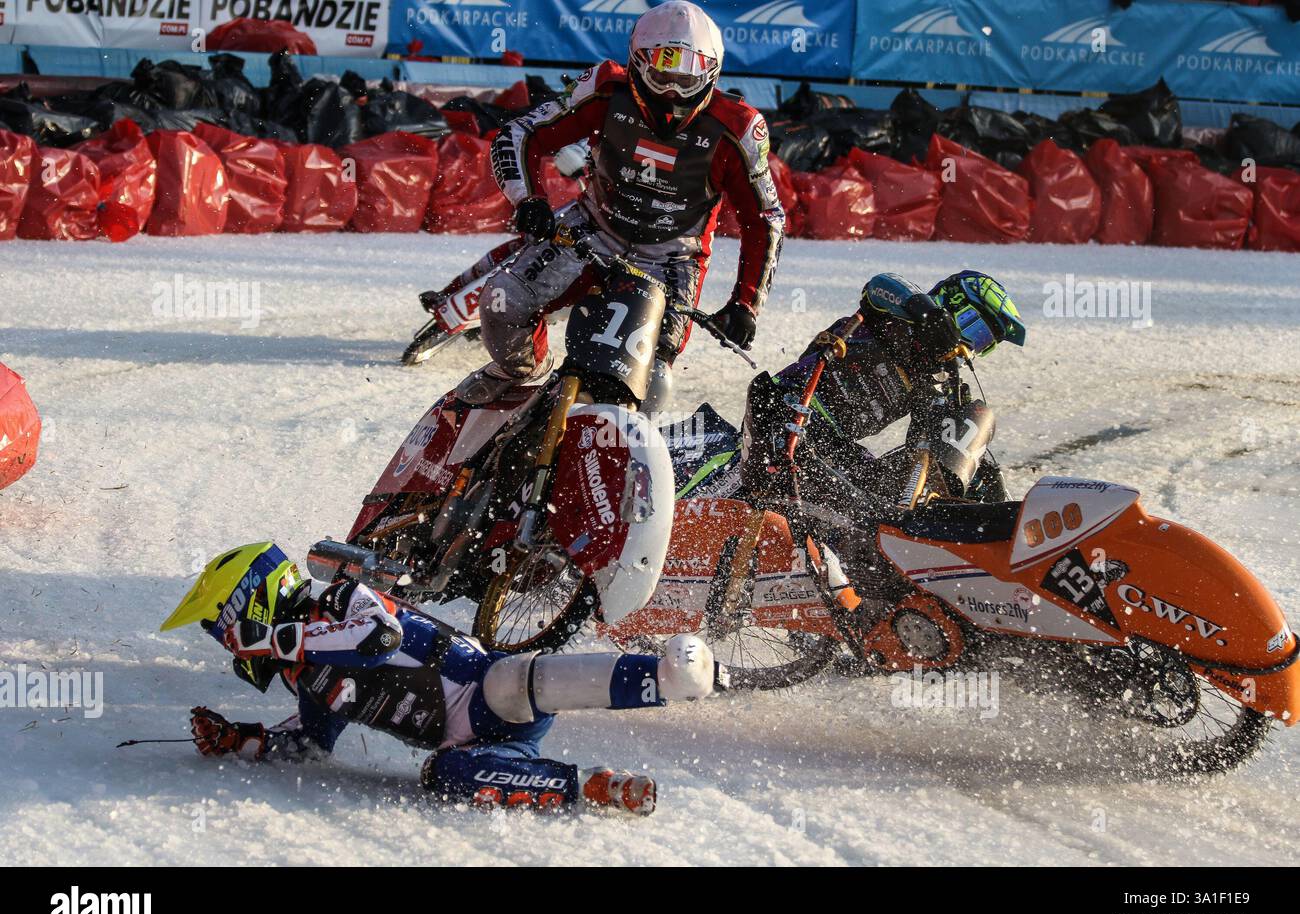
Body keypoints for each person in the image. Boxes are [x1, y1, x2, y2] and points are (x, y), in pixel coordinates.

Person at [161, 542, 725, 815]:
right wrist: (240, 740)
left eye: (222, 626)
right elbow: (309, 744)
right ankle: (590, 786)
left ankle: (664, 677)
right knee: (442, 774)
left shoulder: (335, 599)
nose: (225, 642)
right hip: (475, 747)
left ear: (249, 604)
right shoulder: (306, 681)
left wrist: (281, 640)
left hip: (492, 692)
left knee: (511, 679)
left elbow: (376, 636)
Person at [456, 0, 785, 410]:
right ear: (636, 62)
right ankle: (525, 383)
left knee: (652, 384)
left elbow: (765, 218)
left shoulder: (738, 128)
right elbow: (522, 133)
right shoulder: (605, 88)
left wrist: (746, 303)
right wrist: (529, 200)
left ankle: (610, 456)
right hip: (590, 228)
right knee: (501, 303)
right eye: (663, 68)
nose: (672, 89)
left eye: (687, 74)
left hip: (672, 258)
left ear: (711, 71)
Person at [740, 270, 1027, 499]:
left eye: (983, 344)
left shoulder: (932, 381)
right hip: (783, 409)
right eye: (975, 330)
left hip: (830, 445)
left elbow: (920, 454)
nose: (971, 347)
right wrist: (928, 315)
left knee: (878, 494)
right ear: (953, 305)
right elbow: (878, 286)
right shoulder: (900, 315)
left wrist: (952, 418)